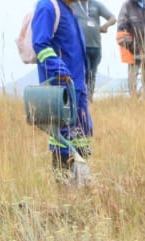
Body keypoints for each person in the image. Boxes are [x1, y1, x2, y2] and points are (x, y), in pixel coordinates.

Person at [31, 0, 92, 181]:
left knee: (80, 138)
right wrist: (60, 70)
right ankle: (64, 193)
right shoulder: (48, 7)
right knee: (63, 141)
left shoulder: (69, 10)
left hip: (77, 88)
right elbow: (40, 44)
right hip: (61, 89)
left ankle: (79, 192)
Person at [70, 0, 115, 94]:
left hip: (96, 46)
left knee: (92, 74)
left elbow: (112, 18)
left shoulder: (96, 4)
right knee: (84, 72)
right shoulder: (73, 4)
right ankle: (81, 96)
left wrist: (105, 26)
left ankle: (89, 97)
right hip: (81, 46)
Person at [116, 0, 145, 98]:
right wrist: (132, 47)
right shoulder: (126, 6)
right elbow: (121, 29)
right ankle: (134, 101)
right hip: (133, 53)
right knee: (132, 80)